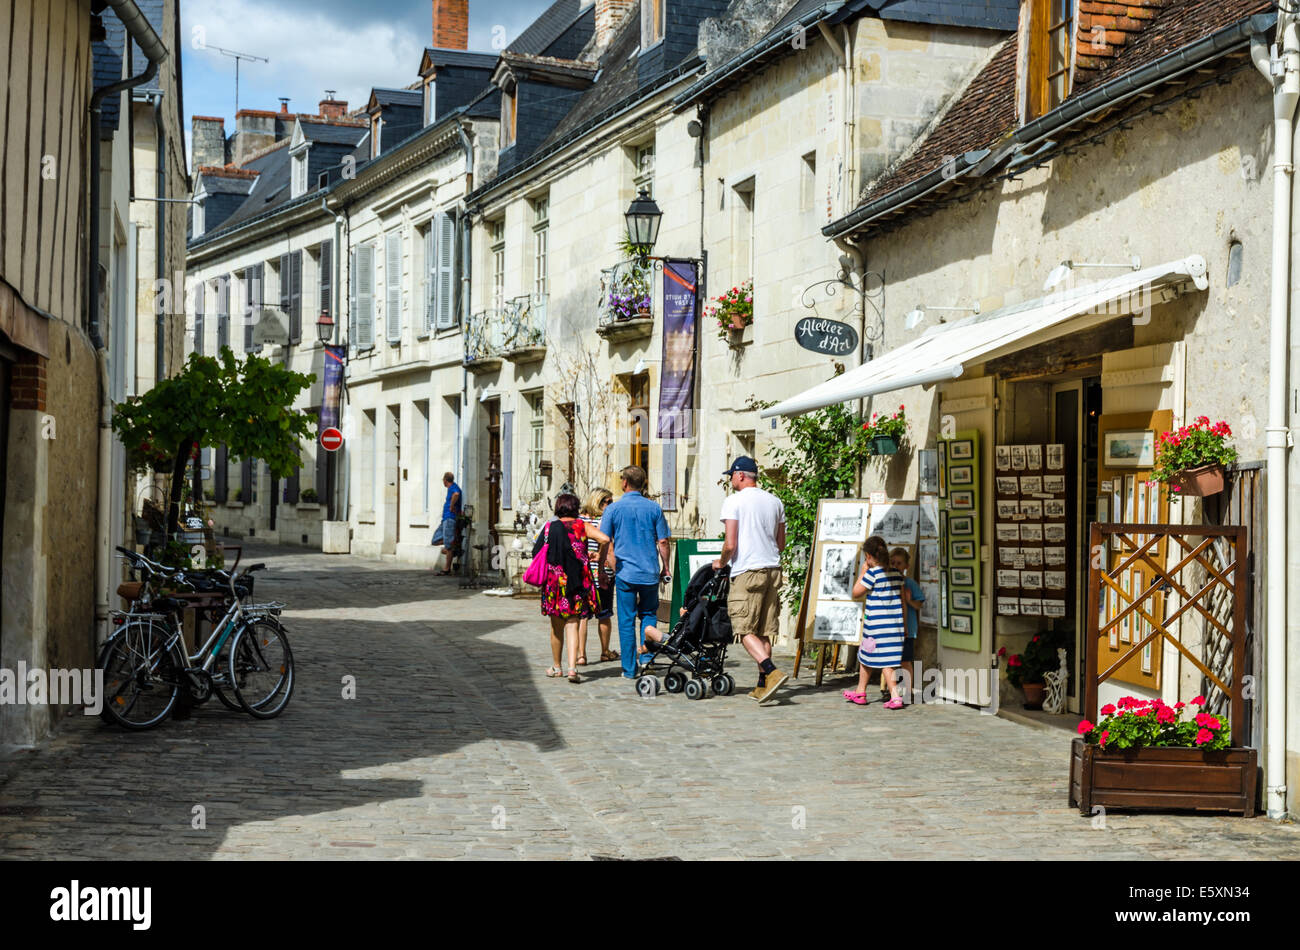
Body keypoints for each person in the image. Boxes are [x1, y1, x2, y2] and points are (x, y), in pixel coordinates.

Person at [712, 456, 787, 704]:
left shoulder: (733, 502)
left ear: (741, 475)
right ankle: (762, 684)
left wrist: (721, 563)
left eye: (731, 475)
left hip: (747, 571)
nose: (730, 480)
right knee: (764, 630)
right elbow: (781, 544)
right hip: (772, 569)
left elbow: (730, 544)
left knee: (743, 629)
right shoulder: (775, 502)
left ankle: (771, 671)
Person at [599, 465, 671, 679]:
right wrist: (665, 567)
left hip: (625, 573)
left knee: (626, 620)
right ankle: (647, 659)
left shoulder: (613, 509)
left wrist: (605, 567)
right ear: (643, 484)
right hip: (649, 571)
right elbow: (664, 542)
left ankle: (629, 669)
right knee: (649, 615)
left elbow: (605, 543)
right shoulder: (654, 508)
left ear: (624, 483)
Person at [532, 492, 609, 683]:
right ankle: (573, 668)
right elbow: (605, 539)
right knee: (573, 624)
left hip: (556, 582)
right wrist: (597, 556)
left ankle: (557, 667)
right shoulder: (581, 526)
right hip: (578, 581)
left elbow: (536, 551)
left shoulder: (550, 527)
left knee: (556, 626)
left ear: (558, 507)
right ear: (575, 508)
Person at [844, 535, 906, 709]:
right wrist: (905, 627)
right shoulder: (896, 574)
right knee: (866, 658)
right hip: (894, 628)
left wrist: (863, 571)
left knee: (885, 662)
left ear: (869, 557)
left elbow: (856, 592)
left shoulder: (872, 574)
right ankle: (860, 691)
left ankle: (895, 696)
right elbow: (902, 602)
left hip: (876, 629)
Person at [578, 488, 617, 665]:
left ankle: (581, 655)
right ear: (598, 502)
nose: (610, 505)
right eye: (607, 501)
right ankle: (605, 651)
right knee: (604, 613)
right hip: (603, 573)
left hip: (583, 573)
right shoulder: (606, 520)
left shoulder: (579, 521)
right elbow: (609, 546)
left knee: (583, 615)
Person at [890, 547, 925, 704]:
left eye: (899, 563)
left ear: (906, 566)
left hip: (907, 630)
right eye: (893, 563)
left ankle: (909, 691)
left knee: (905, 661)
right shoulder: (888, 581)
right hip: (890, 628)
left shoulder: (910, 583)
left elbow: (918, 606)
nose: (895, 566)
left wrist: (909, 600)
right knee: (890, 661)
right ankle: (894, 690)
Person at [431, 472, 462, 575]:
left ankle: (446, 569)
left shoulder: (454, 487)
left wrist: (452, 506)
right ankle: (454, 547)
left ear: (445, 480)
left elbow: (456, 494)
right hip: (445, 519)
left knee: (448, 546)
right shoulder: (450, 488)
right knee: (435, 540)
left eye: (443, 480)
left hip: (450, 518)